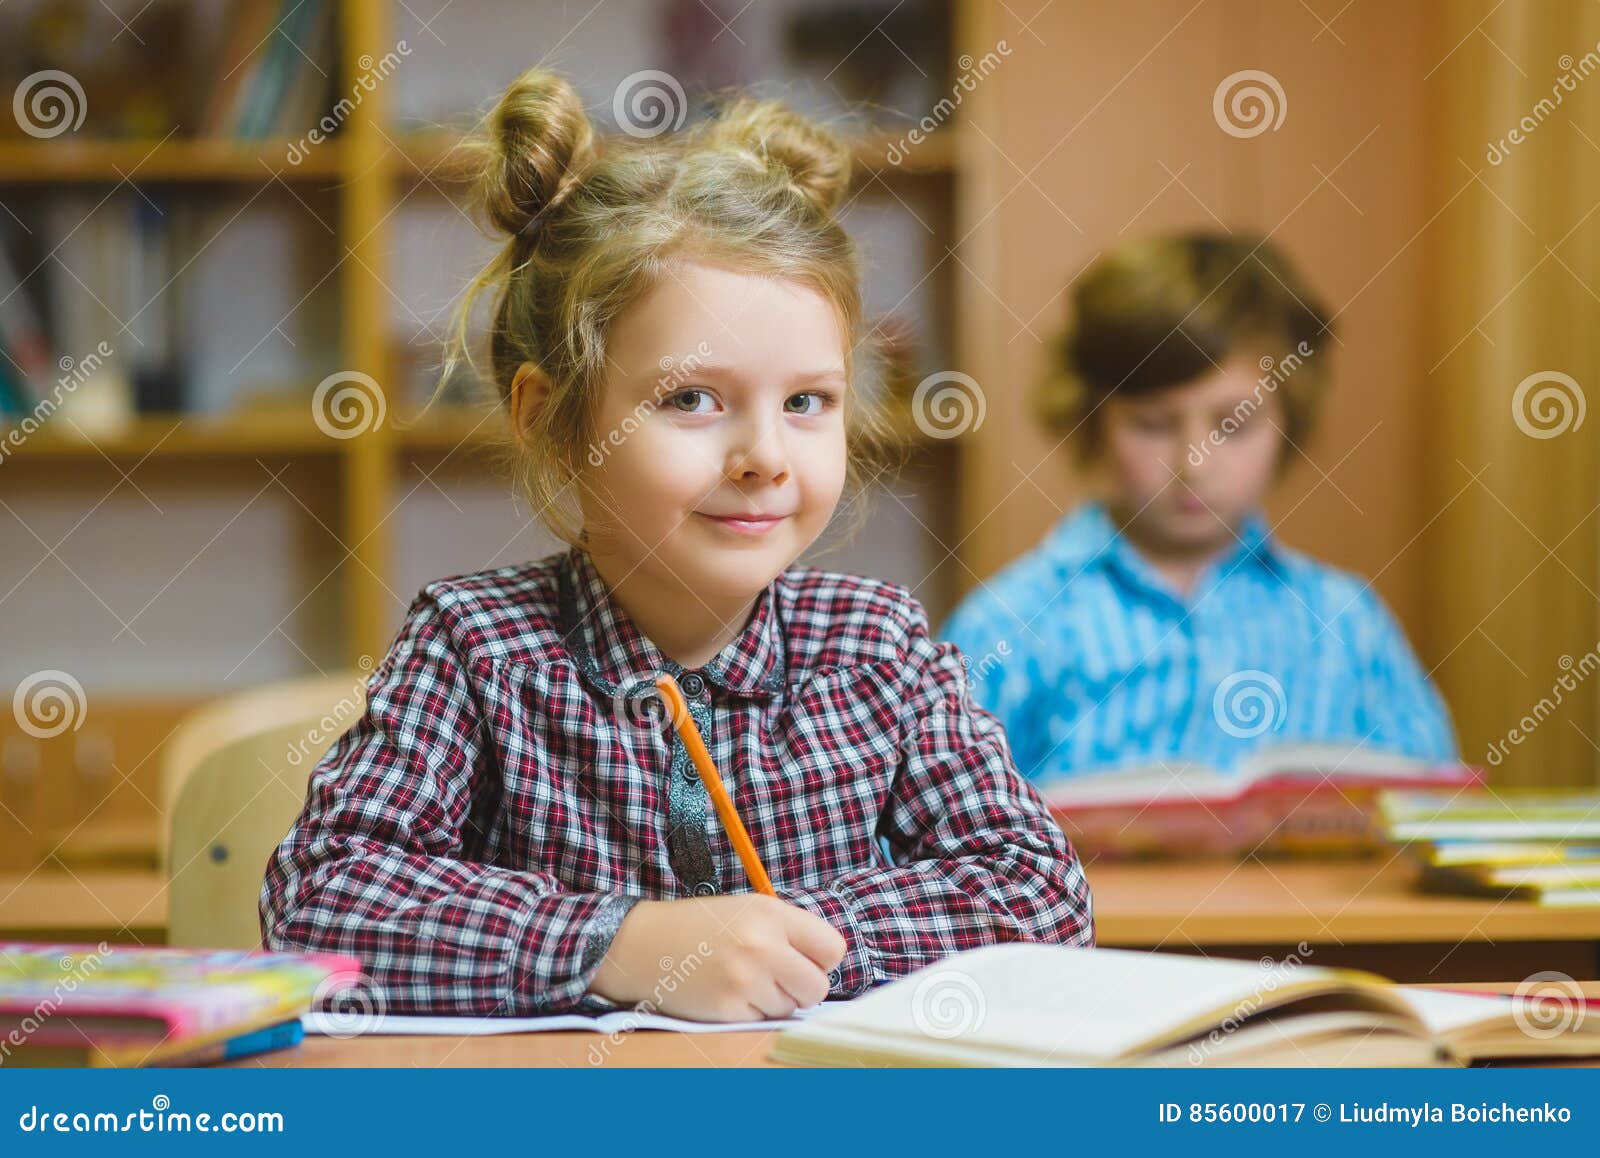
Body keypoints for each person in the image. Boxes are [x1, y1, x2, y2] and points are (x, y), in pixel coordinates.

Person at [261, 69, 1093, 1021]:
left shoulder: (879, 645)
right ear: (553, 419)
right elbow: (318, 902)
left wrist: (781, 942)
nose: (765, 457)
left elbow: (1038, 890)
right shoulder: (476, 647)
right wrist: (616, 944)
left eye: (807, 402)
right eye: (692, 399)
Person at [940, 232, 1457, 782]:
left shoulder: (1347, 624)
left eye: (1235, 424)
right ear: (1093, 420)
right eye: (1153, 424)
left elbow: (1436, 817)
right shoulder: (1008, 627)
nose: (1195, 462)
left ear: (1289, 421)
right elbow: (928, 835)